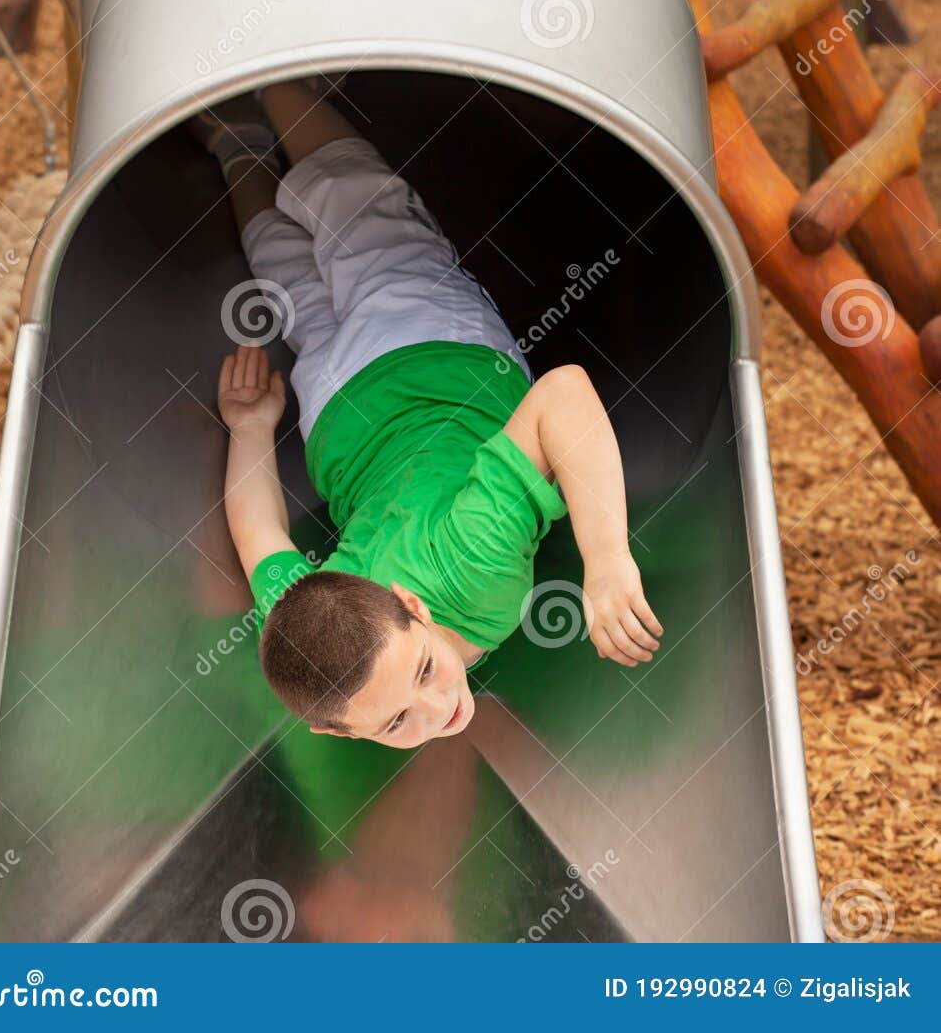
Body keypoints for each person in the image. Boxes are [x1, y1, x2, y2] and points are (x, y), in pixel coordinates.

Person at [193, 78, 662, 750]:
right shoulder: (308, 622)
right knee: (284, 264)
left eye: (420, 670)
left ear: (411, 607)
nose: (435, 705)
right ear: (337, 730)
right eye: (395, 721)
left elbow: (563, 393)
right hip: (332, 400)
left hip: (428, 346)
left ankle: (269, 75)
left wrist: (607, 556)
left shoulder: (474, 564)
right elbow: (260, 534)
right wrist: (252, 427)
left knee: (356, 200)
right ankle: (236, 148)